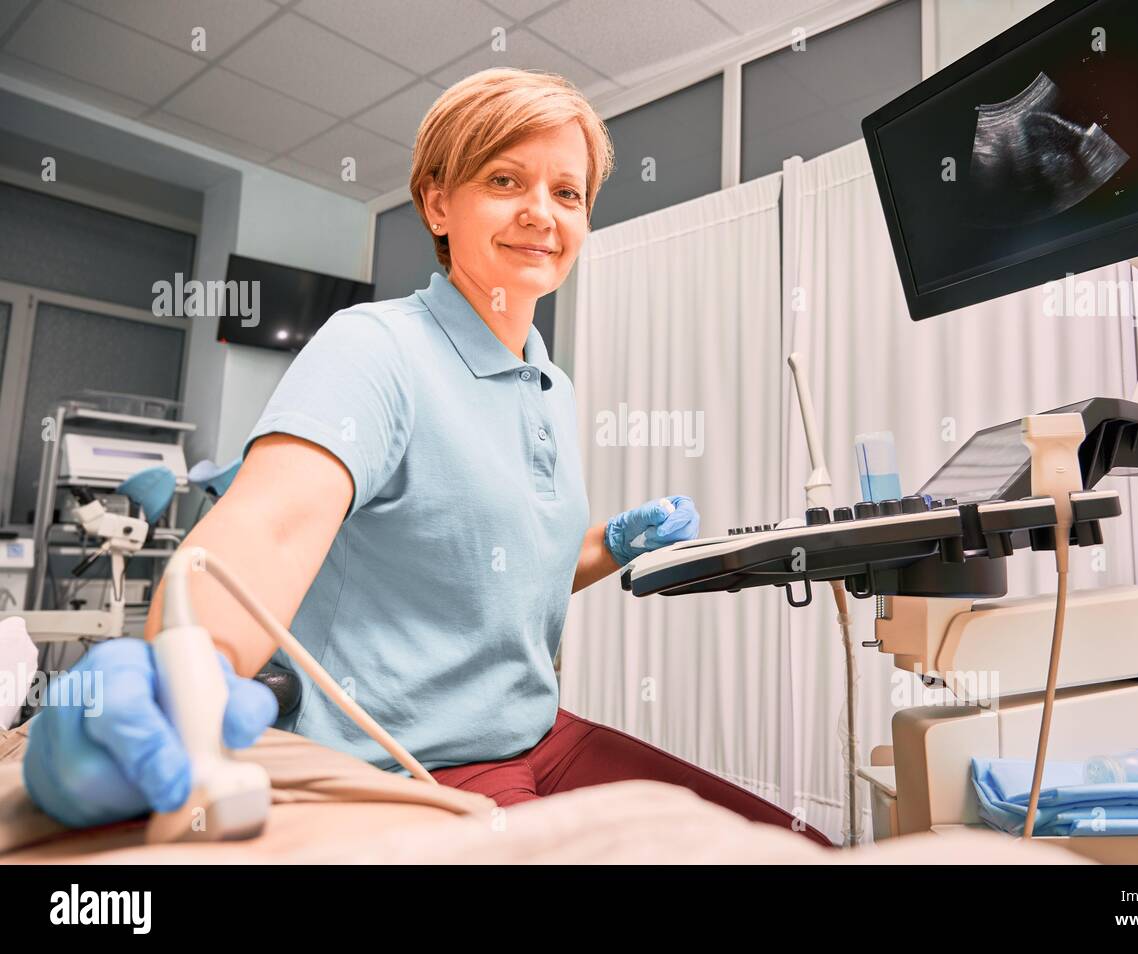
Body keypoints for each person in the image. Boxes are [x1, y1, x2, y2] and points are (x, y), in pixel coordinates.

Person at [22, 68, 831, 847]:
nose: (542, 215)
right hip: (413, 766)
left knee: (807, 844)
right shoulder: (375, 347)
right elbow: (263, 537)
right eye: (506, 182)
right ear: (439, 203)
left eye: (567, 193)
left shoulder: (552, 384)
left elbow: (501, 569)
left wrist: (609, 544)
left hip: (540, 735)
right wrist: (181, 669)